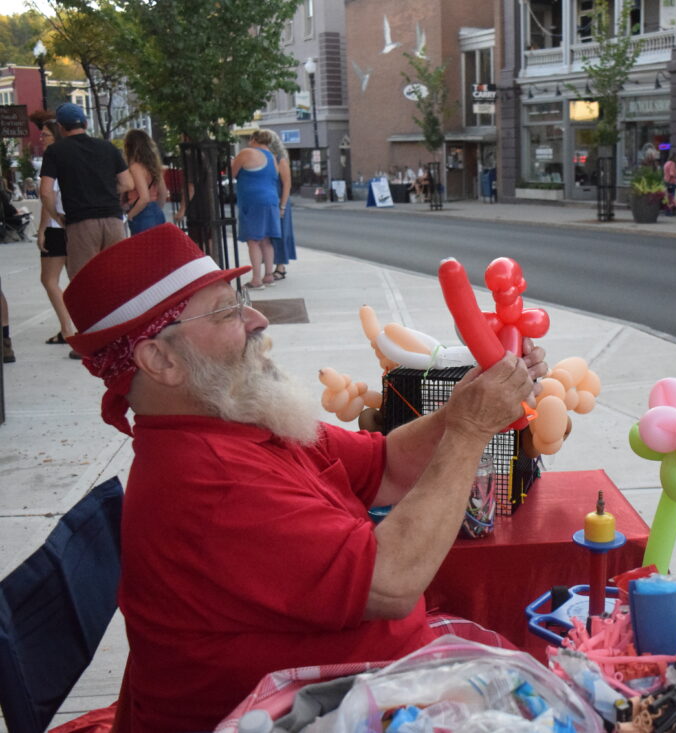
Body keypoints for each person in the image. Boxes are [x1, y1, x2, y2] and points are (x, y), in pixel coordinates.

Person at [62, 224, 547, 731]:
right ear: (159, 359)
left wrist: (472, 400)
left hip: (360, 687)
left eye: (241, 301)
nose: (257, 319)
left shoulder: (232, 419)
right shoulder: (208, 480)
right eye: (226, 312)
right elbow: (391, 583)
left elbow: (385, 465)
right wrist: (469, 429)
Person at [39, 102, 134, 278]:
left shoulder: (55, 151)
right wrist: (104, 189)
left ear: (60, 127)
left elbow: (45, 192)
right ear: (85, 123)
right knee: (116, 277)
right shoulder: (108, 147)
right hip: (114, 221)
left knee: (84, 280)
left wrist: (57, 217)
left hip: (81, 222)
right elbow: (128, 183)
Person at [35, 121, 78, 354]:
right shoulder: (71, 159)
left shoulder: (52, 160)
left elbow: (47, 196)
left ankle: (67, 328)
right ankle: (76, 326)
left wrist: (42, 229)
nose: (41, 139)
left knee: (49, 280)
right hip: (73, 224)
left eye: (45, 135)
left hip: (56, 224)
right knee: (73, 278)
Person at [231, 130, 282, 289]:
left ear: (253, 140)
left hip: (253, 200)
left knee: (253, 240)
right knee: (267, 240)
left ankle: (256, 279)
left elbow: (233, 173)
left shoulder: (247, 153)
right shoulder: (272, 157)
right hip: (271, 199)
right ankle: (269, 276)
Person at [261, 130, 294, 280]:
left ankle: (281, 267)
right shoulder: (265, 158)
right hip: (268, 201)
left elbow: (287, 184)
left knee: (280, 233)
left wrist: (283, 206)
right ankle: (270, 265)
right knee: (268, 235)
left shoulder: (281, 159)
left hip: (280, 201)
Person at [122, 129, 168, 235]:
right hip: (157, 211)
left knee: (143, 245)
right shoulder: (154, 166)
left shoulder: (135, 167)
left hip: (141, 213)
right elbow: (163, 193)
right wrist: (155, 208)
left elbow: (144, 198)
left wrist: (130, 216)